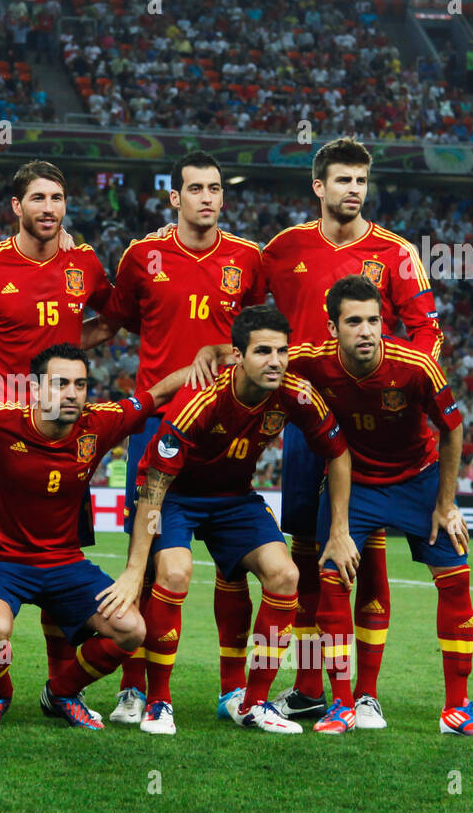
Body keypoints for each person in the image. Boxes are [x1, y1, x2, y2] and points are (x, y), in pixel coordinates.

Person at [255, 137, 443, 724]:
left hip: (369, 429)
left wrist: (396, 391)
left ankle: (366, 693)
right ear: (319, 186)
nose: (354, 190)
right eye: (342, 180)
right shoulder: (282, 251)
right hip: (306, 428)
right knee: (311, 560)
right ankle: (312, 685)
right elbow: (253, 323)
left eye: (361, 180)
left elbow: (427, 333)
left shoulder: (395, 252)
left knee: (369, 557)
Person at [106, 306, 355, 735]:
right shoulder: (202, 397)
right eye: (263, 351)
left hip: (235, 499)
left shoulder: (294, 392)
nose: (275, 361)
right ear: (237, 355)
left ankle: (253, 703)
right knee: (176, 572)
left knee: (285, 575)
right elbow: (153, 486)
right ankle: (159, 702)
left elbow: (338, 452)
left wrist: (339, 529)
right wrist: (133, 570)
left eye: (282, 351)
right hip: (175, 496)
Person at [83, 149, 266, 724]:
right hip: (158, 425)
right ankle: (136, 687)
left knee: (233, 563)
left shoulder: (248, 259)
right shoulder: (143, 256)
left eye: (215, 188)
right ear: (174, 197)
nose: (207, 198)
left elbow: (260, 335)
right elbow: (116, 320)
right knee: (152, 557)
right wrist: (37, 346)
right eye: (196, 188)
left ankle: (234, 689)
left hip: (225, 428)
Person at [0, 159, 112, 719]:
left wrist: (74, 351)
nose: (49, 209)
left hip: (62, 434)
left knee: (62, 558)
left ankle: (64, 688)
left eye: (57, 199)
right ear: (17, 206)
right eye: (38, 199)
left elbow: (117, 317)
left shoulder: (85, 263)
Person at [288, 276, 473, 736]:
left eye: (375, 321)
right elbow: (254, 357)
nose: (366, 331)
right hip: (353, 484)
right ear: (332, 327)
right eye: (354, 321)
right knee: (332, 580)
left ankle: (456, 709)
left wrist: (446, 504)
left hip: (417, 482)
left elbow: (453, 427)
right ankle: (342, 704)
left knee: (457, 583)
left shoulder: (417, 365)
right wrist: (211, 354)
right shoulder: (311, 362)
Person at [0, 342, 190, 729]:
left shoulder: (98, 423)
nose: (72, 393)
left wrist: (205, 363)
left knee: (132, 629)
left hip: (65, 563)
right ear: (35, 389)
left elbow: (159, 394)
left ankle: (62, 692)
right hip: (0, 562)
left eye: (81, 384)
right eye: (61, 383)